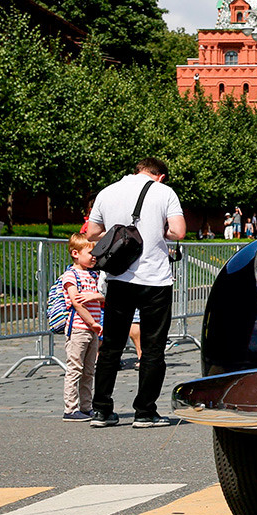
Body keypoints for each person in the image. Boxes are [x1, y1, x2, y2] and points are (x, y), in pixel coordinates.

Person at [86, 158, 186, 428]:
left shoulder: (107, 191)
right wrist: (158, 232)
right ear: (160, 176)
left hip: (119, 278)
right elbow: (178, 231)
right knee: (153, 349)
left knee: (111, 347)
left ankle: (101, 410)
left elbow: (92, 232)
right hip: (155, 280)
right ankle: (145, 411)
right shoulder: (164, 192)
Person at [60, 233, 104, 423]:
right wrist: (92, 323)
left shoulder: (93, 274)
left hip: (92, 330)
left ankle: (86, 406)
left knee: (89, 370)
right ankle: (70, 408)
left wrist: (95, 297)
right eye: (91, 253)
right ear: (75, 253)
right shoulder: (71, 275)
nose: (94, 257)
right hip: (79, 329)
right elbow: (77, 303)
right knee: (75, 369)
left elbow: (104, 295)